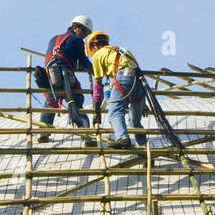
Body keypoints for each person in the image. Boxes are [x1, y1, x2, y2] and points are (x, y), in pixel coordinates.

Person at [37, 15, 95, 144]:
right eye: (84, 32)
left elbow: (63, 56)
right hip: (64, 74)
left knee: (50, 102)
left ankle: (43, 133)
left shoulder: (54, 39)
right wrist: (95, 70)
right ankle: (86, 136)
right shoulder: (76, 40)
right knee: (78, 100)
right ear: (75, 27)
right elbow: (83, 61)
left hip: (50, 76)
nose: (84, 36)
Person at [88, 31, 147, 149]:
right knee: (135, 122)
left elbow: (98, 86)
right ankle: (145, 149)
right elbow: (137, 72)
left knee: (114, 112)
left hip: (123, 78)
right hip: (139, 82)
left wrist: (97, 109)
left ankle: (122, 138)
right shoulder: (123, 50)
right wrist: (143, 105)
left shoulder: (98, 55)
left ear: (94, 47)